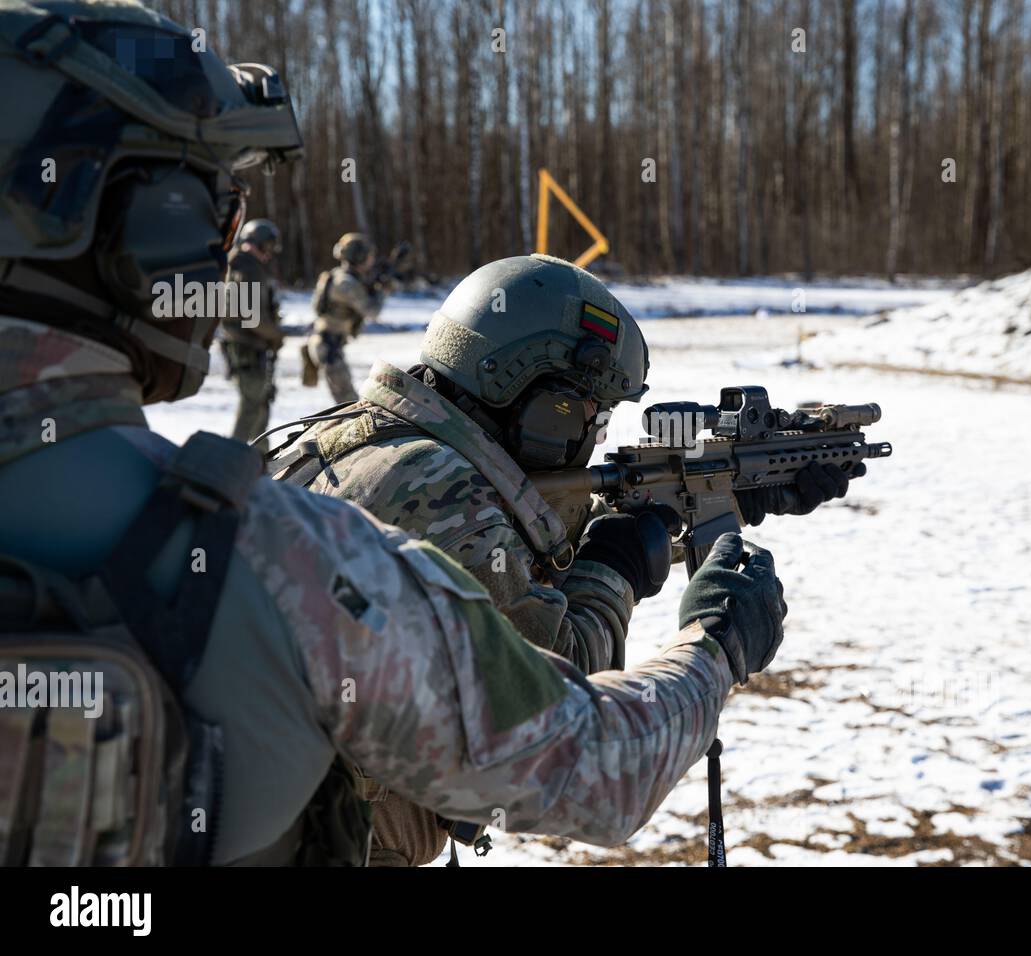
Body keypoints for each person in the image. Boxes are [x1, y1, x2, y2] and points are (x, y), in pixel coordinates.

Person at [0, 0, 787, 866]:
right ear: (147, 230)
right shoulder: (292, 561)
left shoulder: (309, 471)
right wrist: (715, 643)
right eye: (213, 213)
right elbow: (591, 765)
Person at [269, 253, 858, 864]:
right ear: (540, 402)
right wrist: (616, 570)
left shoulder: (370, 440)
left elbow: (508, 570)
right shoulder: (439, 489)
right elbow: (558, 705)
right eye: (592, 414)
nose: (598, 436)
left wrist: (717, 498)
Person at [221, 219, 284, 449]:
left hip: (244, 347)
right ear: (254, 243)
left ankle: (261, 463)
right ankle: (231, 462)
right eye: (266, 246)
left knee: (259, 408)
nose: (269, 253)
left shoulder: (237, 265)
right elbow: (254, 317)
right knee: (252, 408)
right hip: (248, 347)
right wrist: (275, 335)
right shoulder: (248, 267)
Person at [304, 233, 386, 403]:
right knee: (348, 406)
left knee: (346, 404)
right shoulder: (346, 283)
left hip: (326, 344)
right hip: (328, 347)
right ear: (359, 256)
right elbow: (372, 311)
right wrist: (382, 289)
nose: (371, 260)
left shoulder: (336, 276)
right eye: (368, 256)